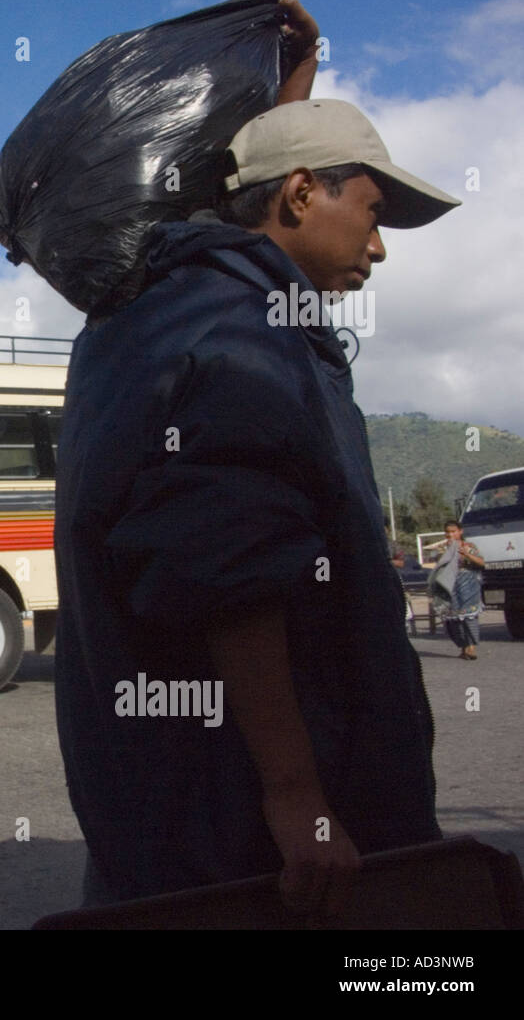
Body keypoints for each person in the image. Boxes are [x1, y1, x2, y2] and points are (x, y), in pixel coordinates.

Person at [54, 87, 461, 914]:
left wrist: (288, 89)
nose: (379, 248)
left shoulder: (149, 318)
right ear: (303, 194)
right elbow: (231, 568)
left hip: (173, 827)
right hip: (253, 851)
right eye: (374, 213)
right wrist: (296, 795)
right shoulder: (240, 331)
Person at [428, 520, 485, 659]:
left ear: (460, 532)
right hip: (449, 585)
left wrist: (467, 555)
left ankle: (471, 647)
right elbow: (437, 567)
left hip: (468, 585)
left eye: (453, 531)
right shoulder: (441, 549)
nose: (450, 534)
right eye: (447, 532)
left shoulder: (469, 546)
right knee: (452, 618)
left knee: (468, 616)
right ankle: (463, 646)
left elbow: (481, 563)